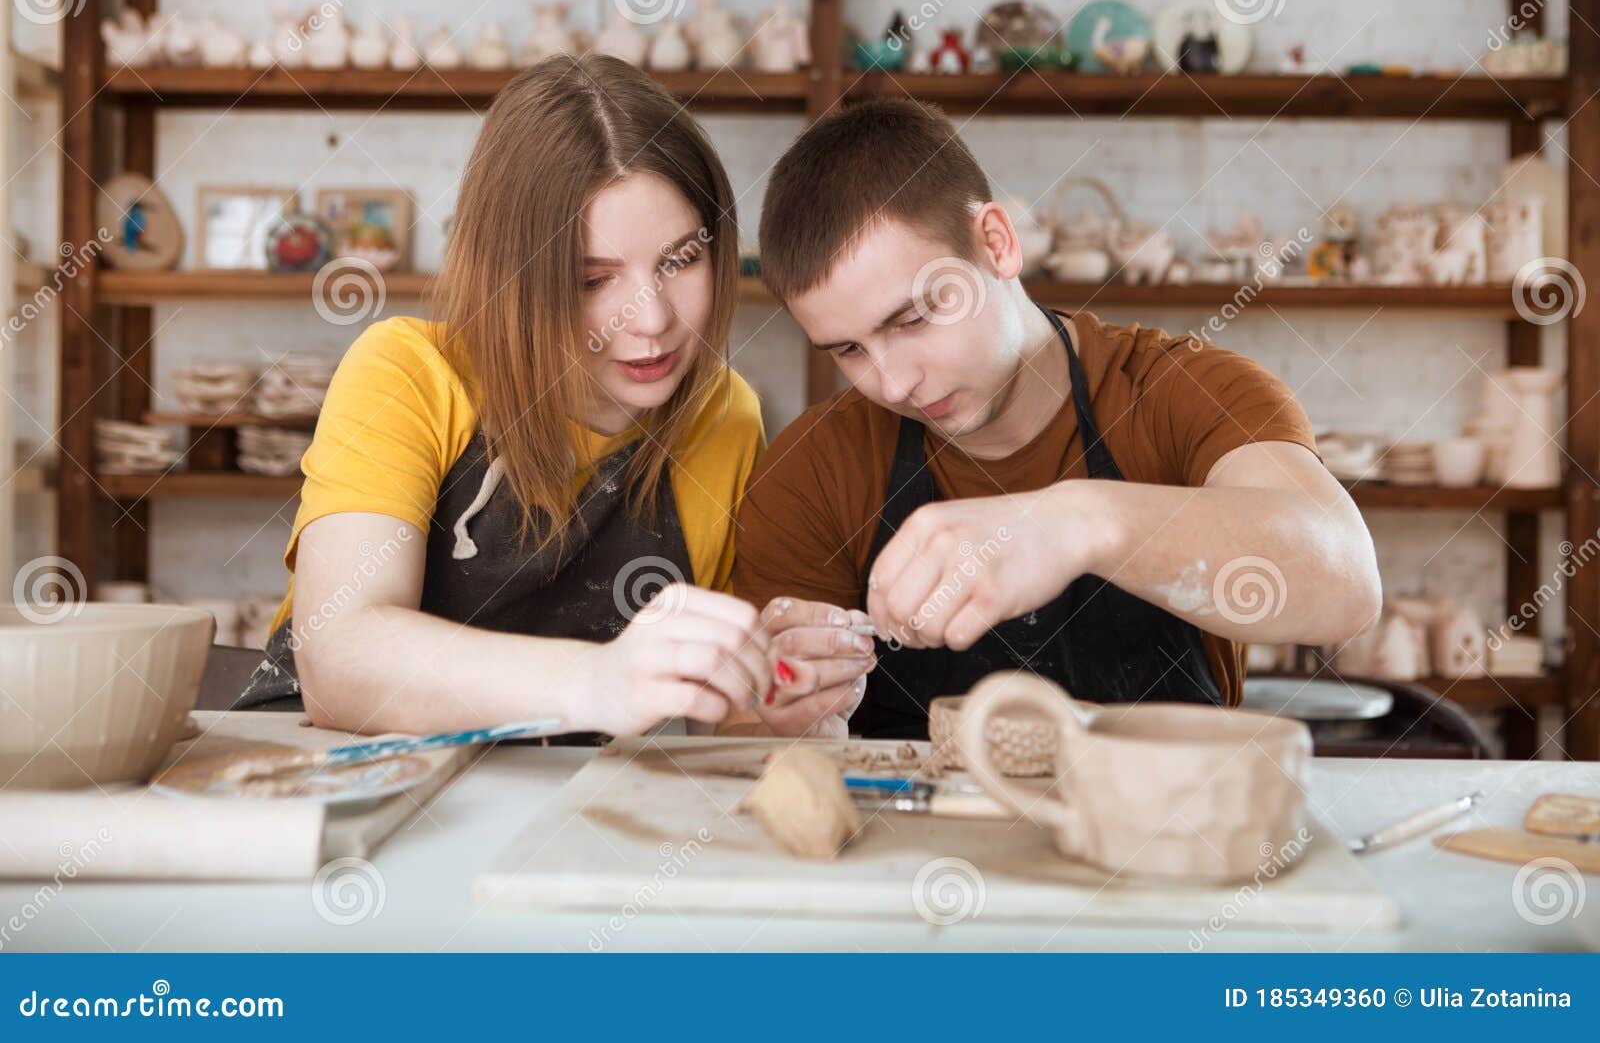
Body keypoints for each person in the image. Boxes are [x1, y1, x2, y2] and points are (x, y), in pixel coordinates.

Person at [730, 97, 1382, 740]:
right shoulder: (812, 469)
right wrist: (792, 713)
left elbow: (1347, 584)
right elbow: (756, 750)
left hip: (1161, 833)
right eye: (849, 350)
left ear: (997, 243)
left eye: (913, 319)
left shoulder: (1184, 393)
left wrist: (1076, 522)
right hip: (913, 842)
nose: (893, 381)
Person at [254, 55, 801, 742]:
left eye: (680, 260)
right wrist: (595, 680)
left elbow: (708, 701)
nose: (653, 319)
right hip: (329, 792)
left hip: (559, 810)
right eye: (592, 279)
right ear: (511, 279)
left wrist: (779, 691)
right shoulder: (408, 372)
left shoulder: (724, 415)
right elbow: (340, 661)